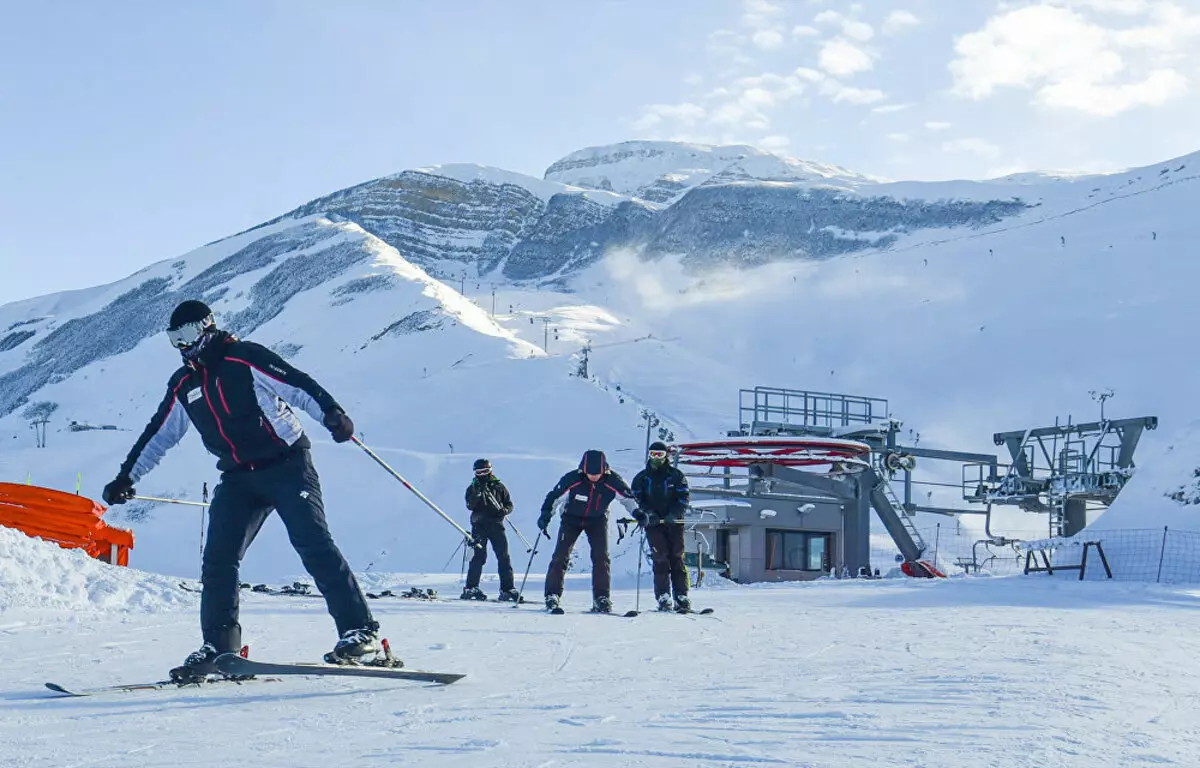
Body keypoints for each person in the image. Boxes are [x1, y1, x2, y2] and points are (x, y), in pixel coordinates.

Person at [101, 300, 383, 682]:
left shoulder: (243, 358)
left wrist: (331, 412)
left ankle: (359, 631)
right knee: (218, 559)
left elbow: (299, 386)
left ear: (206, 327)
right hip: (238, 477)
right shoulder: (185, 384)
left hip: (286, 463)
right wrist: (127, 477)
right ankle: (221, 647)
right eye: (173, 340)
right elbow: (160, 433)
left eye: (185, 336)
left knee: (313, 543)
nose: (181, 346)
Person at [537, 449, 637, 613]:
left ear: (604, 469)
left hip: (597, 520)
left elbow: (627, 499)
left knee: (601, 557)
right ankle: (552, 595)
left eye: (597, 473)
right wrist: (546, 514)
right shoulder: (572, 479)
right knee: (561, 555)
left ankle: (601, 598)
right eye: (589, 473)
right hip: (571, 519)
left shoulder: (613, 481)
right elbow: (554, 497)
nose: (593, 477)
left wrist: (637, 513)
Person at [631, 441, 692, 612]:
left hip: (674, 523)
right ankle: (663, 596)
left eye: (660, 455)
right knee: (660, 558)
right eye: (653, 455)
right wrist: (649, 513)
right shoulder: (642, 478)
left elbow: (684, 498)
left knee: (677, 557)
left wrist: (675, 513)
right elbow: (636, 499)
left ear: (666, 456)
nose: (657, 458)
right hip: (654, 524)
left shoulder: (676, 476)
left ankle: (682, 595)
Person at [461, 458, 518, 601]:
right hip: (479, 526)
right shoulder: (472, 488)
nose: (482, 475)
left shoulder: (499, 486)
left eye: (485, 471)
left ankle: (508, 589)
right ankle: (471, 587)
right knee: (478, 557)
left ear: (490, 470)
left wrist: (504, 510)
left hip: (497, 526)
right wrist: (478, 493)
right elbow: (470, 505)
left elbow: (509, 504)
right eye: (478, 472)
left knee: (503, 557)